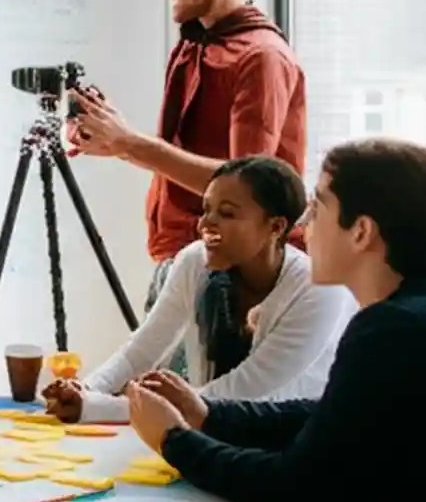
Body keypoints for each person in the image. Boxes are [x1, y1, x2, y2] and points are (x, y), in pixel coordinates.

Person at [126, 138, 426, 502]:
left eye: (317, 208)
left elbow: (297, 490)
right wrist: (209, 414)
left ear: (362, 231)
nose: (303, 224)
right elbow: (332, 417)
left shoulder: (392, 330)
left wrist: (173, 440)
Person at [68, 0, 307, 376]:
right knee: (157, 405)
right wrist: (113, 138)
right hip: (179, 254)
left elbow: (246, 190)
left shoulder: (261, 57)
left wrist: (131, 144)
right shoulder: (192, 46)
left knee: (187, 419)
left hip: (227, 268)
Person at [41, 156, 355, 424]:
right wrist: (84, 391)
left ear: (275, 227)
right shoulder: (195, 261)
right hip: (210, 430)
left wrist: (99, 408)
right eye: (206, 209)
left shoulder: (319, 290)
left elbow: (246, 392)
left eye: (227, 213)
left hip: (290, 444)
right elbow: (143, 348)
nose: (206, 224)